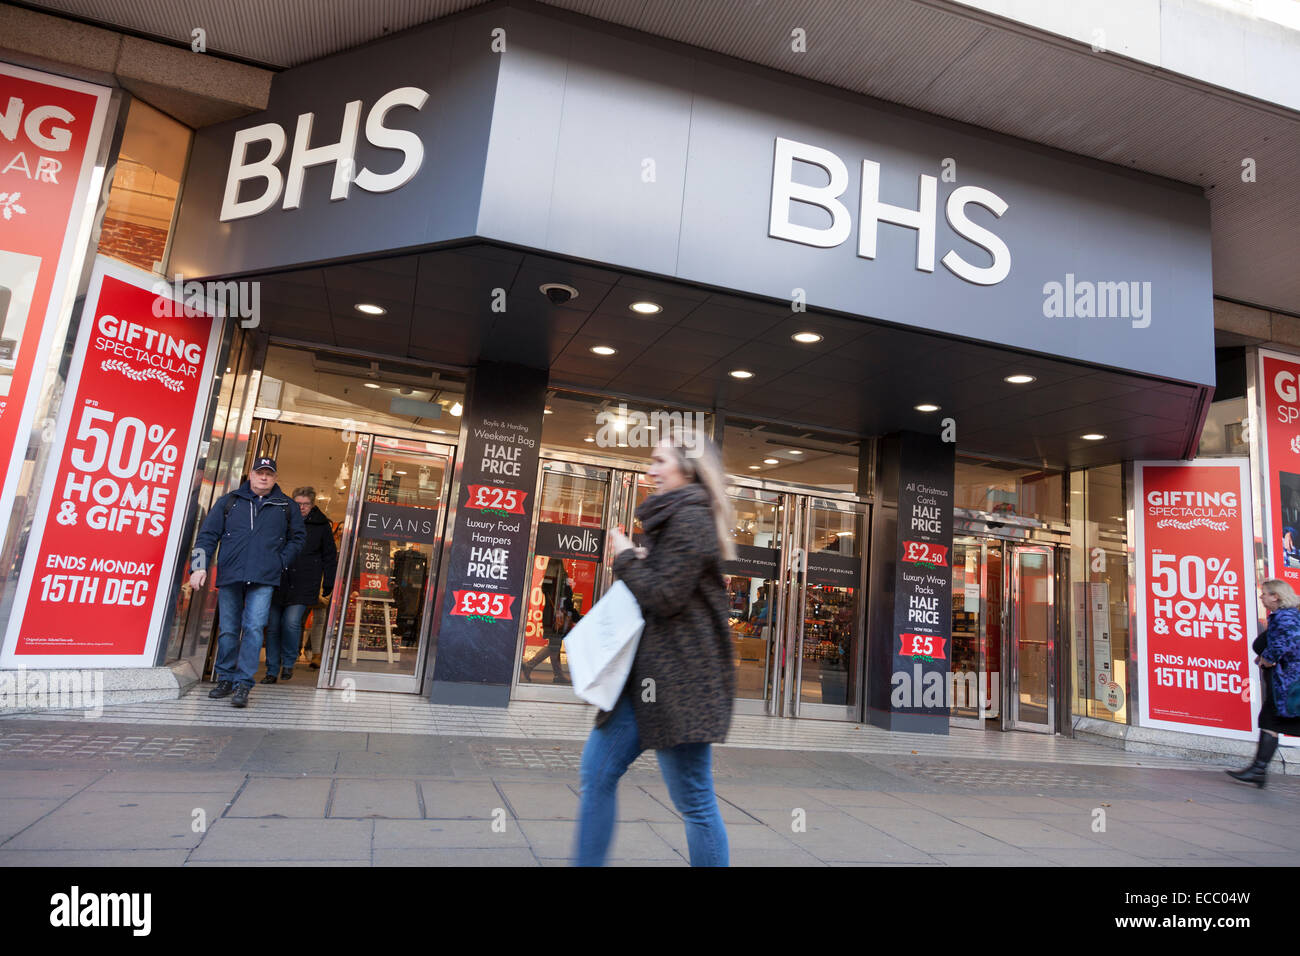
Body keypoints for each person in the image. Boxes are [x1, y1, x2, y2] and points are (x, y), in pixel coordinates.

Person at [574, 429, 736, 866]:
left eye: (659, 460)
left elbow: (665, 597)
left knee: (694, 800)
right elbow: (671, 589)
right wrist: (642, 560)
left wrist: (626, 556)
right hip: (654, 681)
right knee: (597, 774)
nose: (651, 470)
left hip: (679, 685)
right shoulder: (677, 519)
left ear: (687, 467)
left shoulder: (691, 518)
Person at [190, 457, 305, 708]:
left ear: (275, 478)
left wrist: (280, 561)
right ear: (250, 475)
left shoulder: (286, 506)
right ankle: (226, 678)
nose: (264, 477)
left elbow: (298, 539)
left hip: (265, 577)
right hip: (231, 575)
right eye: (259, 472)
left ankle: (243, 682)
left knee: (253, 627)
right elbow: (207, 535)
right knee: (229, 629)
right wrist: (198, 566)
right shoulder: (229, 501)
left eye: (269, 474)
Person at [1228, 578, 1300, 787]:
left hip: (1289, 682)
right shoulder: (1283, 615)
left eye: (1265, 593)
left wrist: (1268, 657)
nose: (1262, 597)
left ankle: (1258, 770)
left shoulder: (1286, 616)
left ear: (1276, 596)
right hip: (1284, 680)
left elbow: (1290, 639)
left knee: (1271, 719)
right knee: (1270, 719)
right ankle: (1258, 770)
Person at [262, 487, 337, 684]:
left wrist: (329, 582)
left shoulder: (322, 526)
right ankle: (271, 669)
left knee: (291, 622)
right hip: (278, 579)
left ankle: (288, 663)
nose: (301, 507)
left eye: (305, 504)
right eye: (298, 503)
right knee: (272, 627)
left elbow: (330, 557)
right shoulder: (282, 520)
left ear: (312, 505)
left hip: (305, 582)